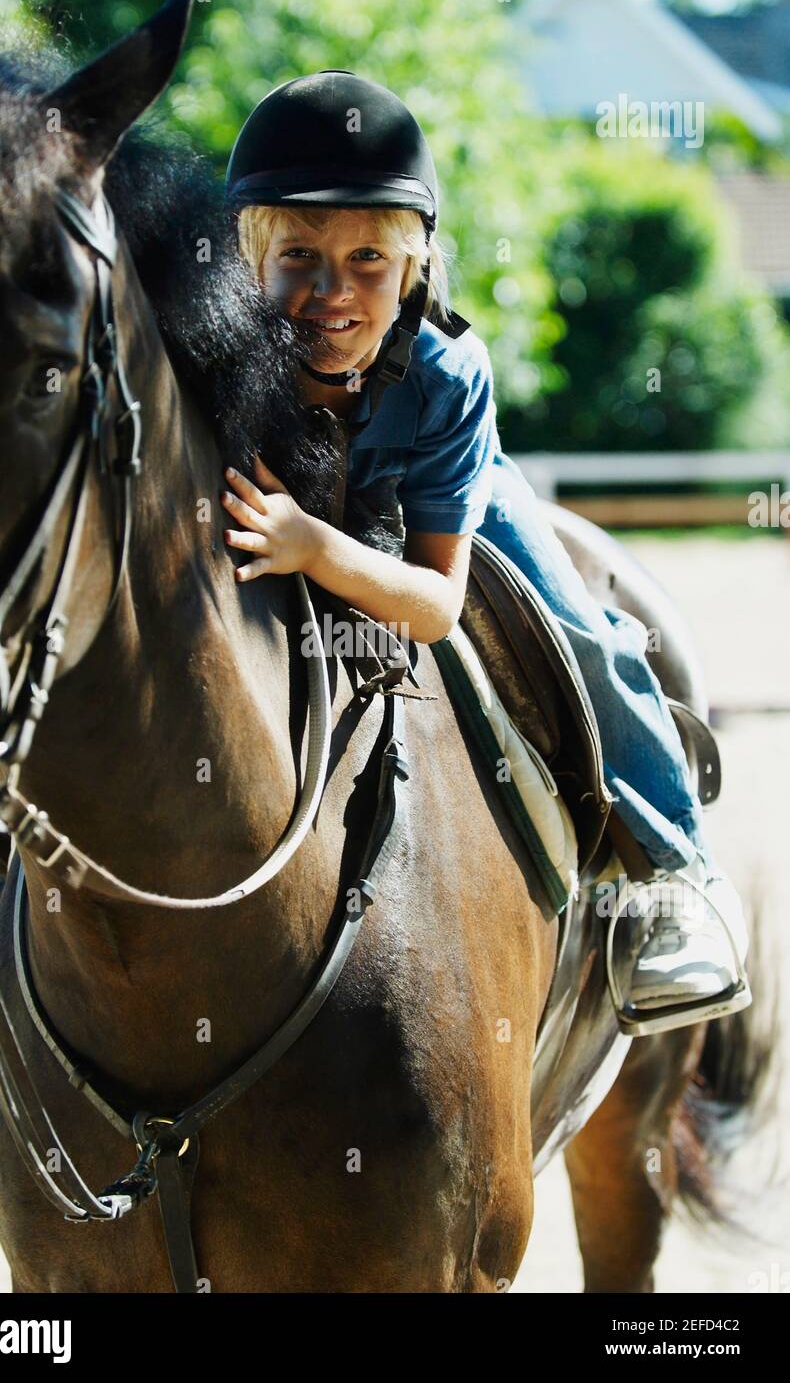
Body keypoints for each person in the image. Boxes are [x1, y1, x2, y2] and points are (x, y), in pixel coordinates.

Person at [220, 69, 751, 1036]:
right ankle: (9, 856)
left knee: (575, 624)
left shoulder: (447, 369)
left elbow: (431, 604)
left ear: (416, 265)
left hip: (437, 483)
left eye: (369, 258)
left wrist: (310, 545)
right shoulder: (213, 349)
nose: (332, 292)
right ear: (249, 261)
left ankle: (678, 877)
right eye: (299, 255)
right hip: (300, 493)